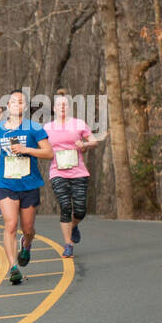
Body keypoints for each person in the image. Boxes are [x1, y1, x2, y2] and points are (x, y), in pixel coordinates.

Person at [0, 89, 53, 285]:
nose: (16, 105)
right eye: (13, 101)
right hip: (6, 183)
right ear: (8, 105)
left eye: (21, 102)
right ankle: (12, 267)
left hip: (29, 183)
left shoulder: (34, 128)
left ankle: (26, 245)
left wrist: (26, 149)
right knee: (10, 224)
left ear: (25, 107)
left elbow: (49, 153)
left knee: (27, 229)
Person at [43, 88, 97, 257]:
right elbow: (42, 147)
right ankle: (68, 244)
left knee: (80, 210)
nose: (63, 107)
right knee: (65, 206)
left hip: (78, 171)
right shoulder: (47, 127)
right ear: (54, 109)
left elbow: (93, 141)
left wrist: (85, 145)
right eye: (59, 105)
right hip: (57, 171)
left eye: (65, 104)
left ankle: (73, 225)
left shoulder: (79, 124)